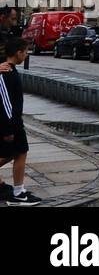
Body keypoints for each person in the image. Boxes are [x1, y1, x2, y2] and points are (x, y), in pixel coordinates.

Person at [1, 38, 41, 204]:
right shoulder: (6, 73)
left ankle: (19, 190)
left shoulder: (10, 70)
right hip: (12, 122)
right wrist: (8, 128)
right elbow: (5, 103)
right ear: (18, 52)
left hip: (14, 121)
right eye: (25, 52)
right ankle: (18, 192)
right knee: (19, 152)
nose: (26, 55)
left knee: (14, 153)